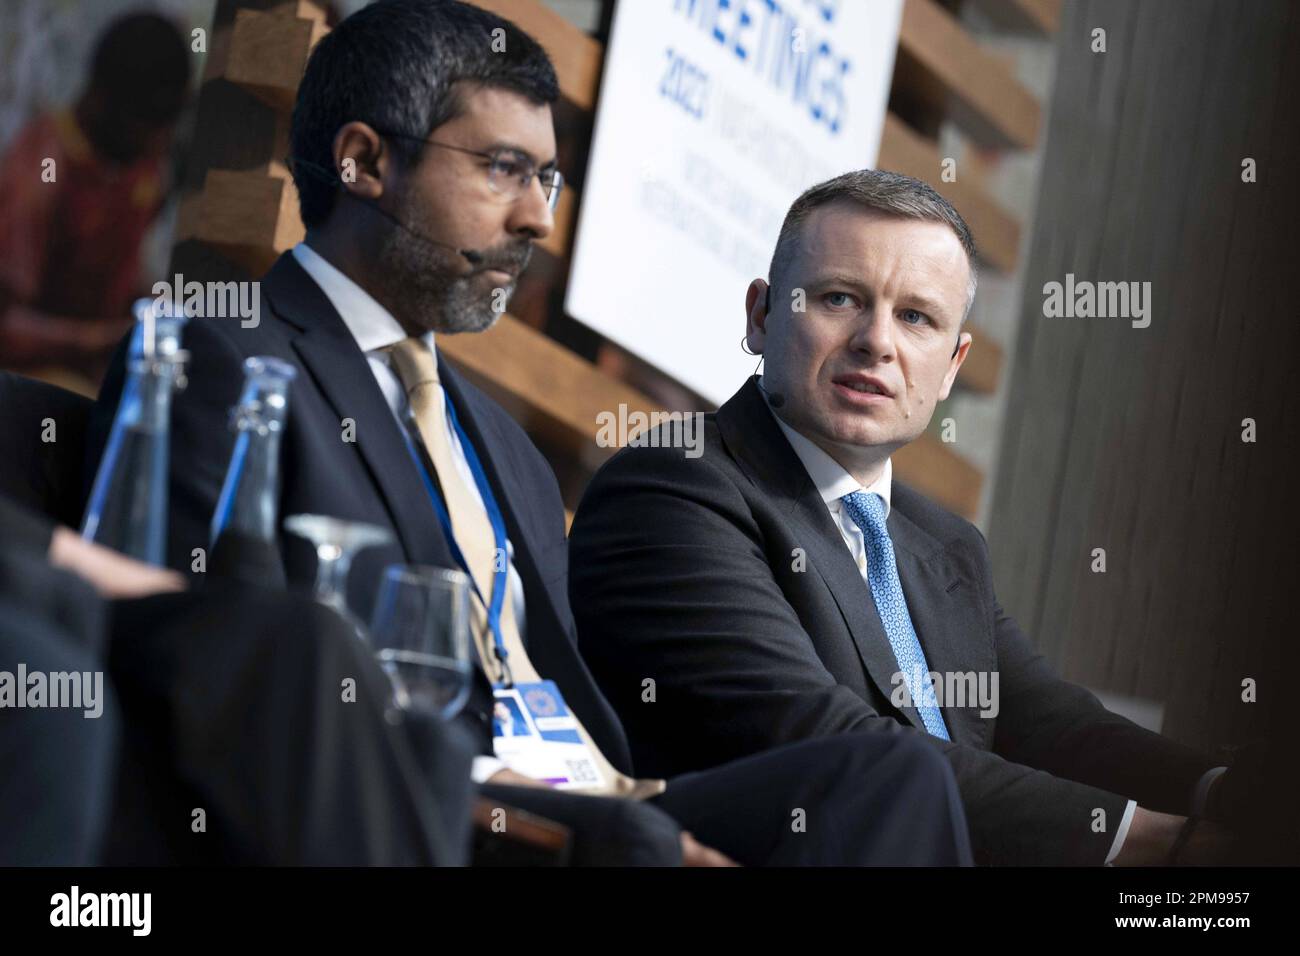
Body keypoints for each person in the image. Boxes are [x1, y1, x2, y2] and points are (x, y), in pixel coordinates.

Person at [89, 0, 973, 867]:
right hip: (421, 798)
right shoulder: (221, 357)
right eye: (504, 169)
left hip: (598, 791)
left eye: (546, 178)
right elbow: (199, 662)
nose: (537, 219)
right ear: (363, 161)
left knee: (891, 778)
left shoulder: (502, 446)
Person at [567, 169, 1285, 866]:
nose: (877, 341)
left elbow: (1054, 724)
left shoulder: (943, 542)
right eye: (841, 299)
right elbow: (825, 740)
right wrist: (1167, 847)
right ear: (760, 315)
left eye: (915, 317)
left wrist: (1222, 795)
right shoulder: (676, 489)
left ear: (950, 365)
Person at [0, 12, 190, 388]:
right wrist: (102, 341)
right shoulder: (41, 172)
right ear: (103, 100)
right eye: (148, 125)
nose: (158, 143)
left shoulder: (141, 170)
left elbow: (121, 282)